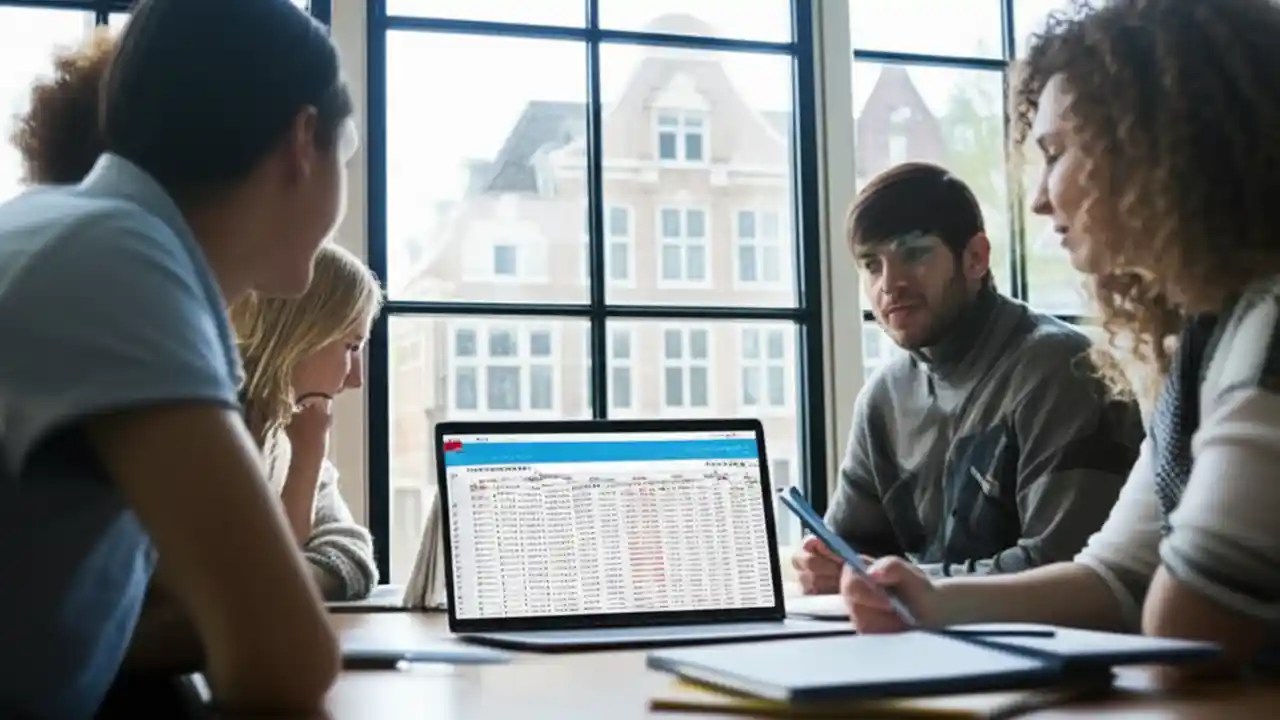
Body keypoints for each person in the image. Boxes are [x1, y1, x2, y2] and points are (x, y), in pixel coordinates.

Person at [841, 0, 1280, 681]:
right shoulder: (1206, 339)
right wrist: (928, 602)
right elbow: (1116, 575)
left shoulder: (1270, 332)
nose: (1041, 199)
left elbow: (1190, 626)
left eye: (1055, 153)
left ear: (1156, 145)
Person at [0, 0, 357, 715]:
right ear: (303, 138)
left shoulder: (60, 229)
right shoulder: (120, 262)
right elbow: (284, 662)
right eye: (344, 157)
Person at [792, 162, 1143, 594]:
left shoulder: (1063, 369)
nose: (890, 283)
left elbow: (1064, 567)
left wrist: (902, 583)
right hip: (917, 648)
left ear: (975, 258)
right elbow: (849, 557)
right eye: (871, 265)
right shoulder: (883, 398)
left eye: (915, 253)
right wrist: (826, 570)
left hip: (1053, 651)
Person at [233, 243, 382, 602]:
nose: (356, 379)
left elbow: (352, 553)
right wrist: (305, 461)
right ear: (304, 334)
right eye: (350, 347)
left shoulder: (291, 432)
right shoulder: (213, 430)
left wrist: (308, 455)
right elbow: (252, 584)